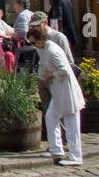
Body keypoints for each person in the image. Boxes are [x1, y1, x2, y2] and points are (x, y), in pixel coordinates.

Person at [29, 23, 85, 166]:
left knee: (72, 124)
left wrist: (52, 75)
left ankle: (76, 157)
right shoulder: (46, 49)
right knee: (50, 116)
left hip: (66, 90)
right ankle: (56, 149)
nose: (33, 45)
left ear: (40, 39)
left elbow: (65, 70)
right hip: (58, 91)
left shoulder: (52, 50)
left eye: (33, 42)